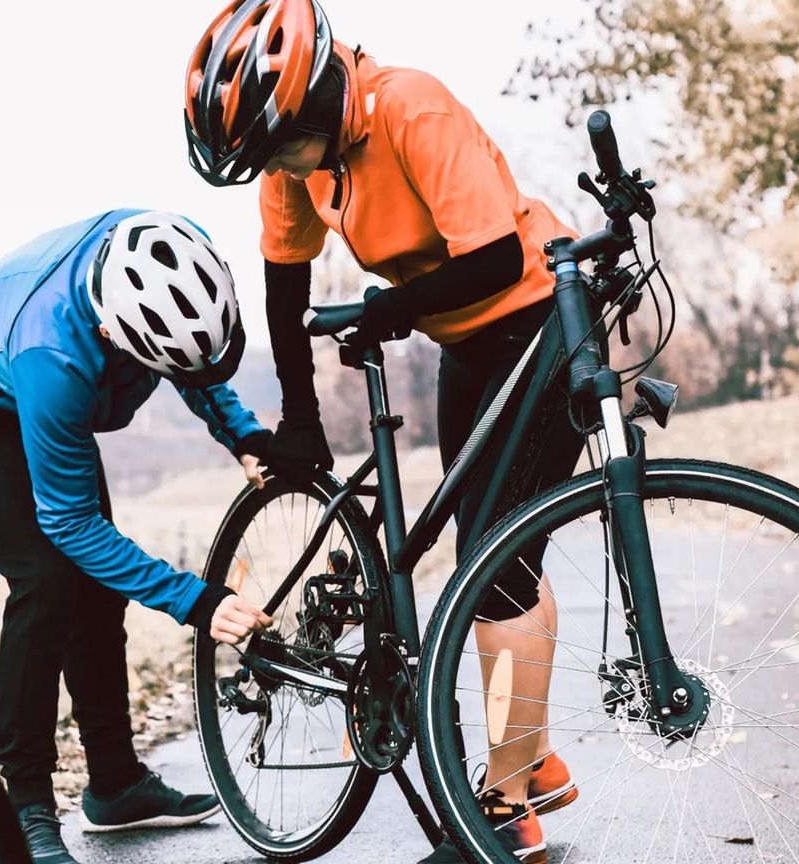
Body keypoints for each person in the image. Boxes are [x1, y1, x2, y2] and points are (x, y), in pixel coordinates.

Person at [184, 2, 586, 862]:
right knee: (500, 554)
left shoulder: (412, 105)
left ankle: (505, 806)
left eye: (277, 149)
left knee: (497, 563)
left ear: (317, 101)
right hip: (461, 342)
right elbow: (284, 297)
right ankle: (533, 759)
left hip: (534, 323)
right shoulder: (291, 160)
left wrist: (386, 309)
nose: (279, 171)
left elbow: (496, 261)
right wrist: (299, 419)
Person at [0, 209, 274, 864]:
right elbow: (68, 523)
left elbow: (195, 358)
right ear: (110, 332)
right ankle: (23, 811)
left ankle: (114, 784)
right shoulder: (54, 355)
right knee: (47, 580)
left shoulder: (171, 253)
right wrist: (197, 601)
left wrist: (243, 436)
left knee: (101, 590)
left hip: (36, 381)